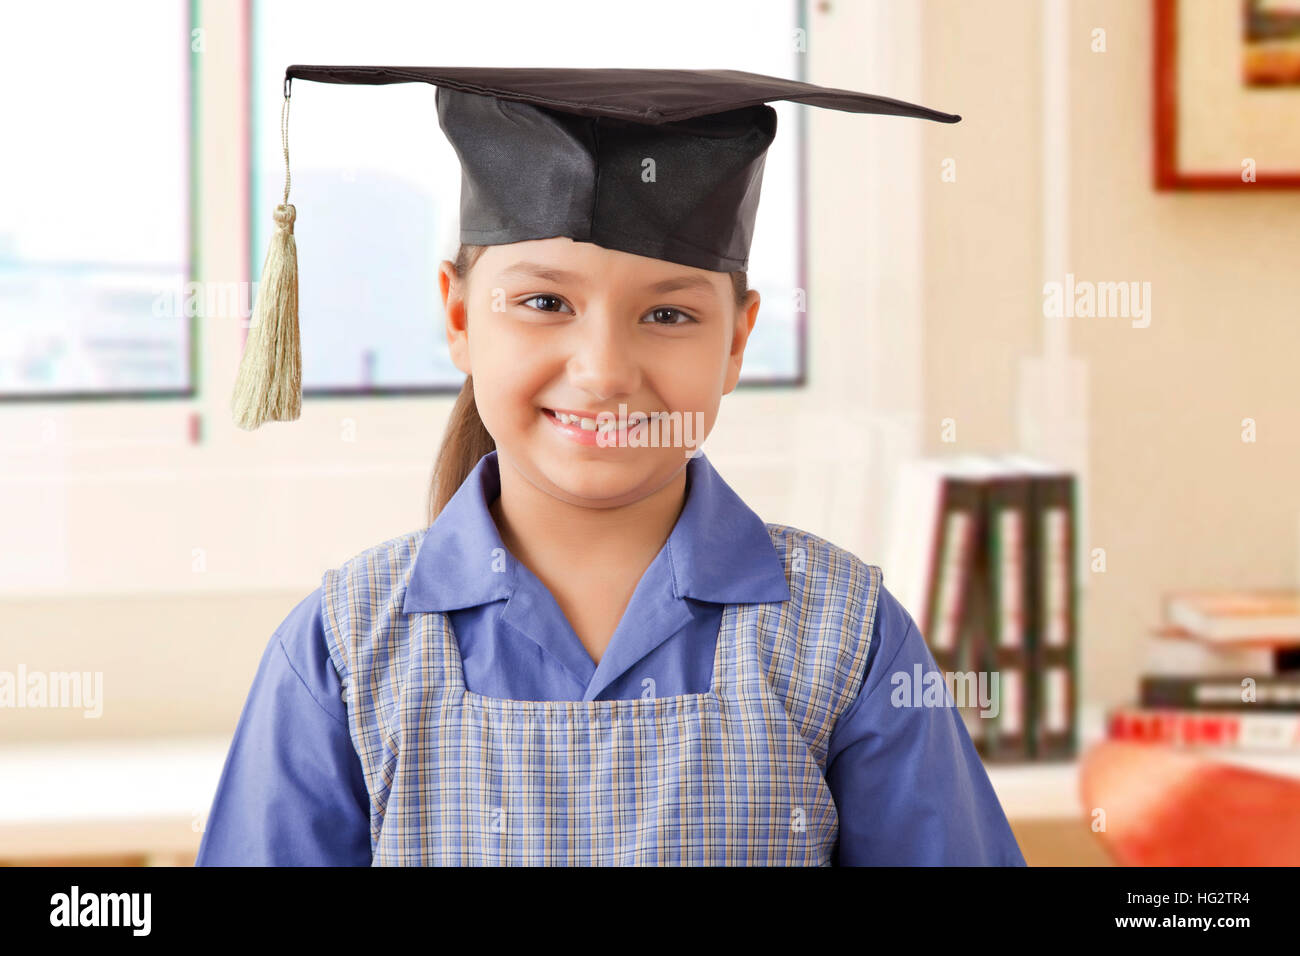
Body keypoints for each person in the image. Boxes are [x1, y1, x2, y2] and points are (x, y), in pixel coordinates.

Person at [198, 65, 1025, 865]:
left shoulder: (845, 639)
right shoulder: (344, 654)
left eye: (667, 314)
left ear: (737, 341)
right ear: (459, 317)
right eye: (544, 303)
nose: (603, 371)